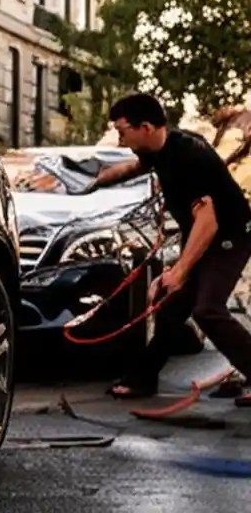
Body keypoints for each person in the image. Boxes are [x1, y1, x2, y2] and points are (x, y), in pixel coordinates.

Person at [82, 93, 251, 407]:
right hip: (204, 235)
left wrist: (180, 271)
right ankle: (142, 381)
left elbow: (208, 220)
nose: (120, 139)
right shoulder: (160, 149)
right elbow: (135, 167)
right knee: (171, 307)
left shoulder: (190, 154)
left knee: (207, 309)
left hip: (229, 236)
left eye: (122, 131)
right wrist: (99, 180)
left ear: (145, 127)